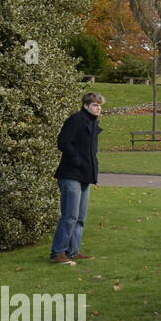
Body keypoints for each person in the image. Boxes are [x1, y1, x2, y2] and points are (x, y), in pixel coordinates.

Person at [51, 91, 104, 265]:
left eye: (100, 105)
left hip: (84, 175)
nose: (99, 108)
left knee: (80, 217)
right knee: (70, 215)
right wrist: (77, 161)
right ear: (86, 105)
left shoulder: (92, 122)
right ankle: (58, 253)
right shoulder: (76, 119)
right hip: (70, 174)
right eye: (95, 105)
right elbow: (63, 141)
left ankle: (73, 251)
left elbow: (91, 151)